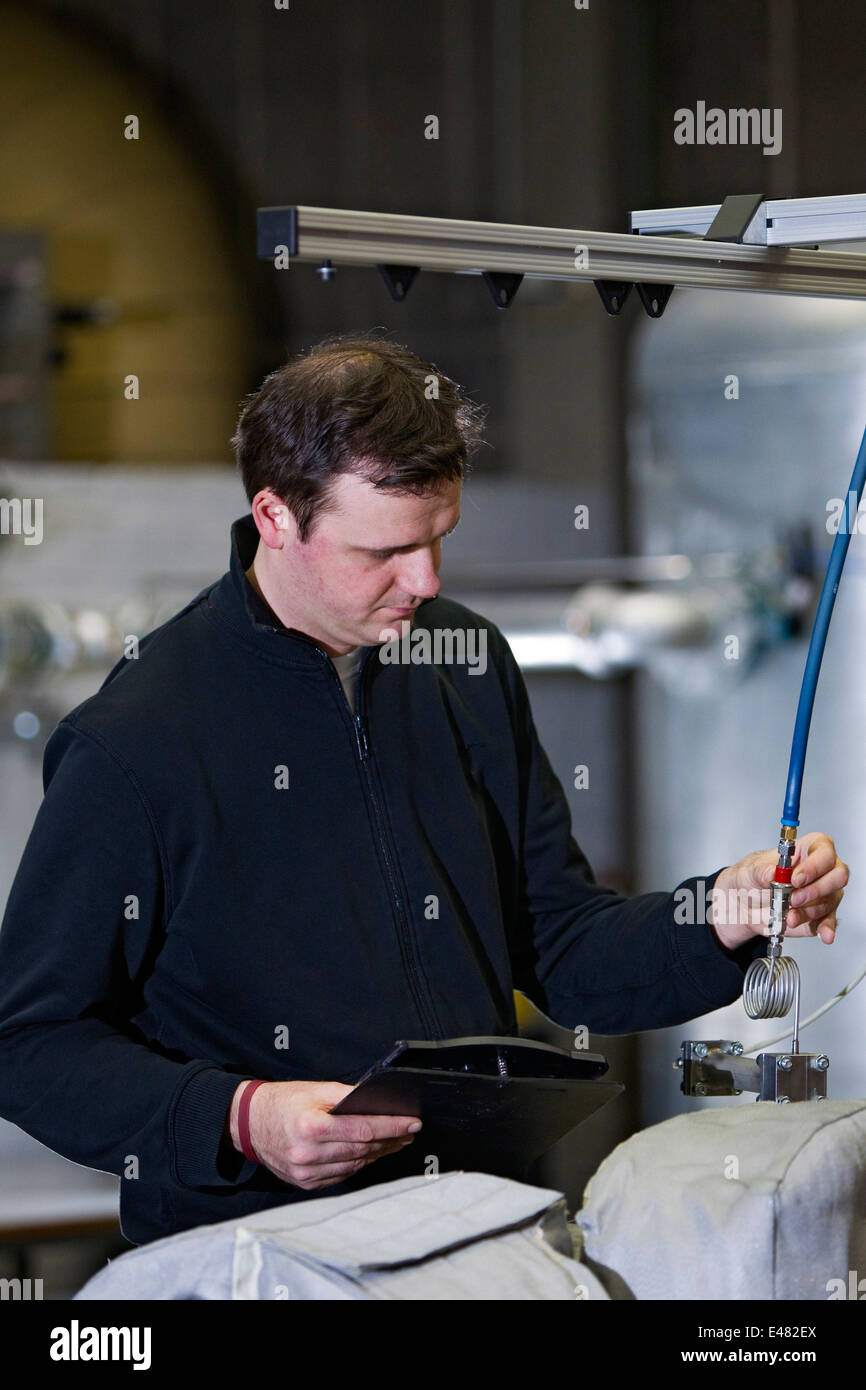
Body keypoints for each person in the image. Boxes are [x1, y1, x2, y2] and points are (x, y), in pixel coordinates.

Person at [0, 333, 847, 1246]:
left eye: (440, 538)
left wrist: (720, 912)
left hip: (482, 1238)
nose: (428, 582)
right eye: (388, 551)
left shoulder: (467, 664)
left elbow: (562, 948)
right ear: (276, 518)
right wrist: (239, 1117)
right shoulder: (138, 740)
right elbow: (30, 1043)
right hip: (261, 1260)